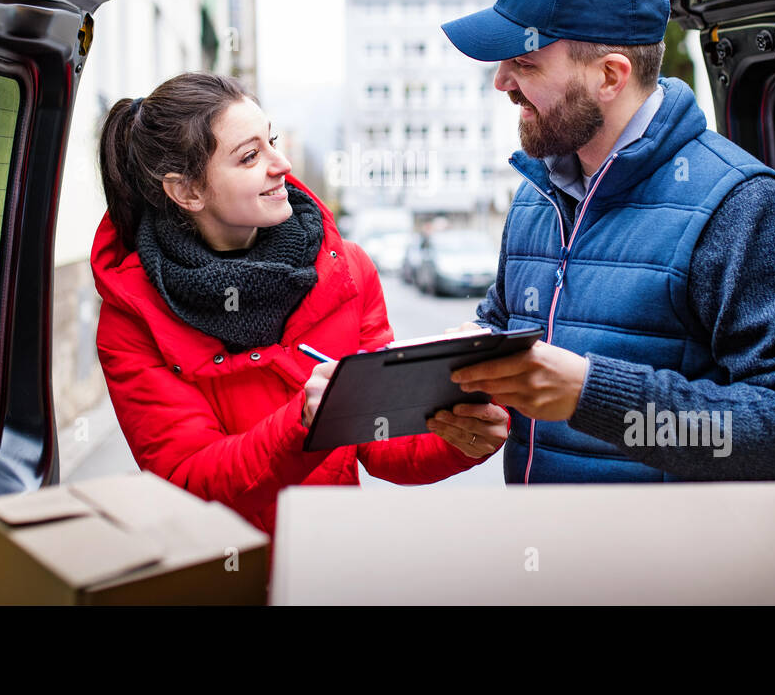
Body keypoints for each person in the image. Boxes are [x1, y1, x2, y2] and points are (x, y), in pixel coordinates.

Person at [439, 0, 775, 483]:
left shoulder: (743, 207)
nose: (502, 82)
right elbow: (502, 327)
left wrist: (593, 395)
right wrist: (461, 376)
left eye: (525, 63)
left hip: (671, 565)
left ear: (610, 76)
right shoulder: (537, 194)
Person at [90, 72, 508, 534]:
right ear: (187, 191)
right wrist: (303, 421)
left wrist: (461, 435)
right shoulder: (134, 318)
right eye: (250, 156)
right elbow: (189, 480)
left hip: (330, 565)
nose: (282, 163)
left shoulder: (348, 269)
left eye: (271, 140)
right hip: (222, 575)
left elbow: (380, 442)